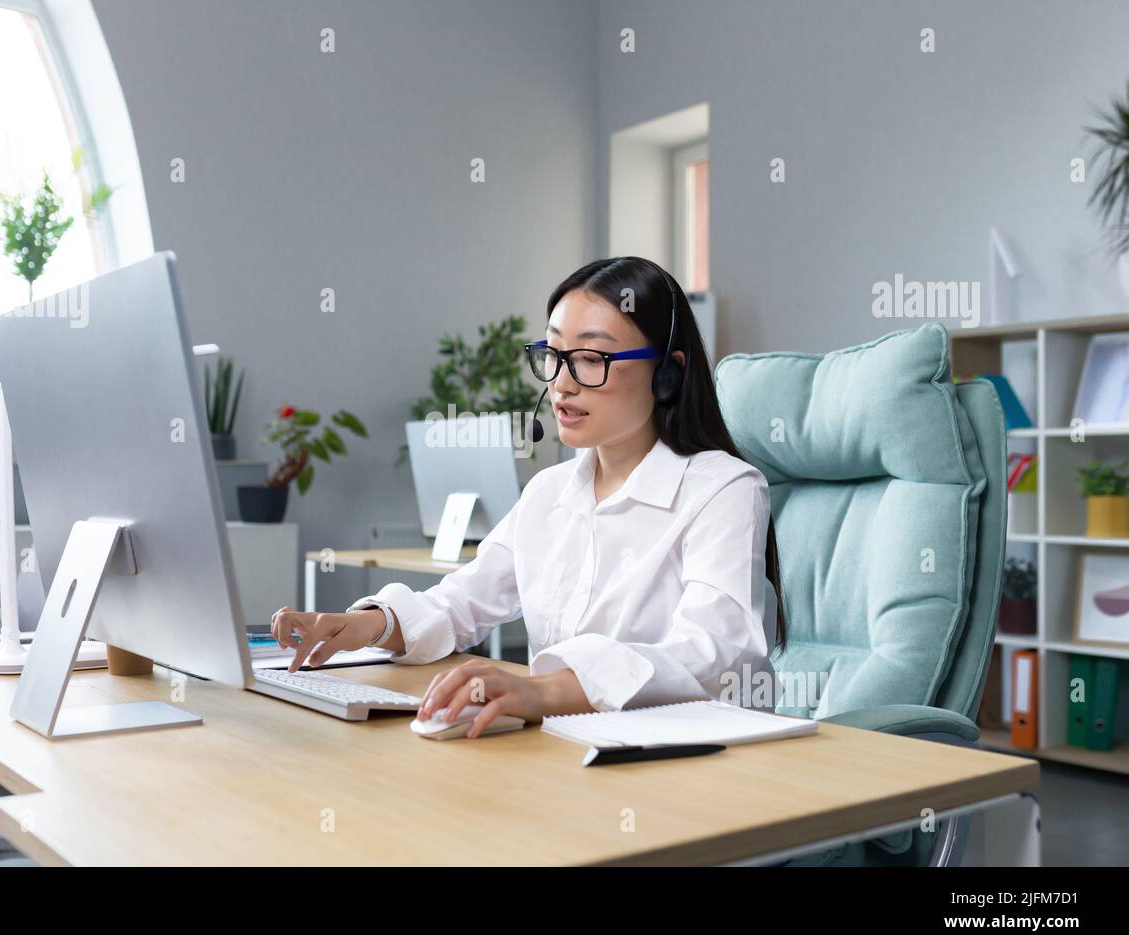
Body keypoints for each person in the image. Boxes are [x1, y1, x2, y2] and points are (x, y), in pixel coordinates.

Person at [270, 256, 786, 737]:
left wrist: (543, 691)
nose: (561, 384)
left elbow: (718, 655)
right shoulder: (550, 492)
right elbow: (458, 604)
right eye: (554, 355)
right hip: (569, 747)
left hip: (688, 760)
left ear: (667, 372)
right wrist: (361, 626)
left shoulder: (722, 488)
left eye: (589, 358)